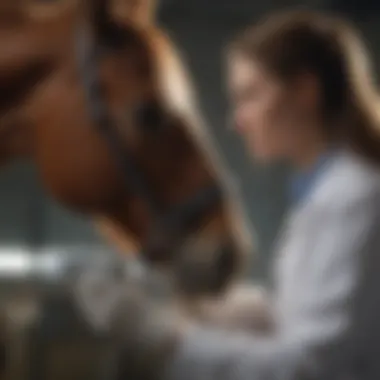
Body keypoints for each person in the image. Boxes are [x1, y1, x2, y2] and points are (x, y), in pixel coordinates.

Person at [76, 9, 380, 380]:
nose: (236, 120)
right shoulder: (326, 194)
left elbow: (312, 367)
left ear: (305, 91)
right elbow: (301, 320)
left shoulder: (354, 200)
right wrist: (203, 309)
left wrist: (161, 338)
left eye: (249, 95)